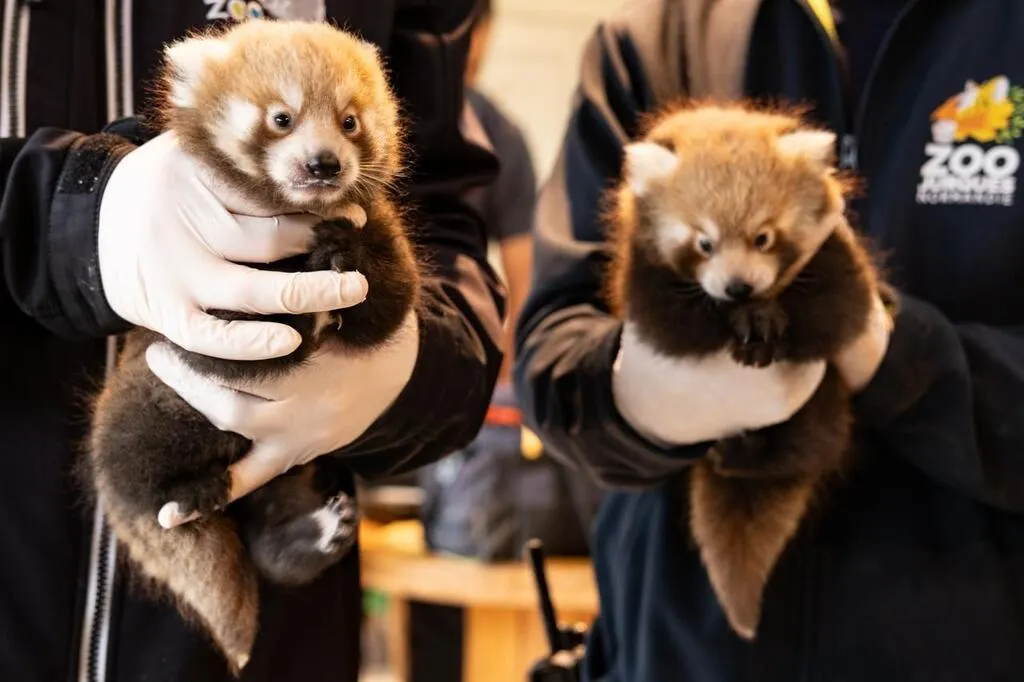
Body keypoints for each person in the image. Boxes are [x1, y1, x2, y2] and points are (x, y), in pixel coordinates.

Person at [515, 0, 1024, 680]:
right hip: (679, 651)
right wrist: (639, 397)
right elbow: (553, 363)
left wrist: (897, 359)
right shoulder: (654, 39)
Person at [0, 1, 503, 681]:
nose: (325, 154)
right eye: (286, 121)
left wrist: (411, 367)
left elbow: (447, 222)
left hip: (279, 632)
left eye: (348, 126)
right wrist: (61, 221)